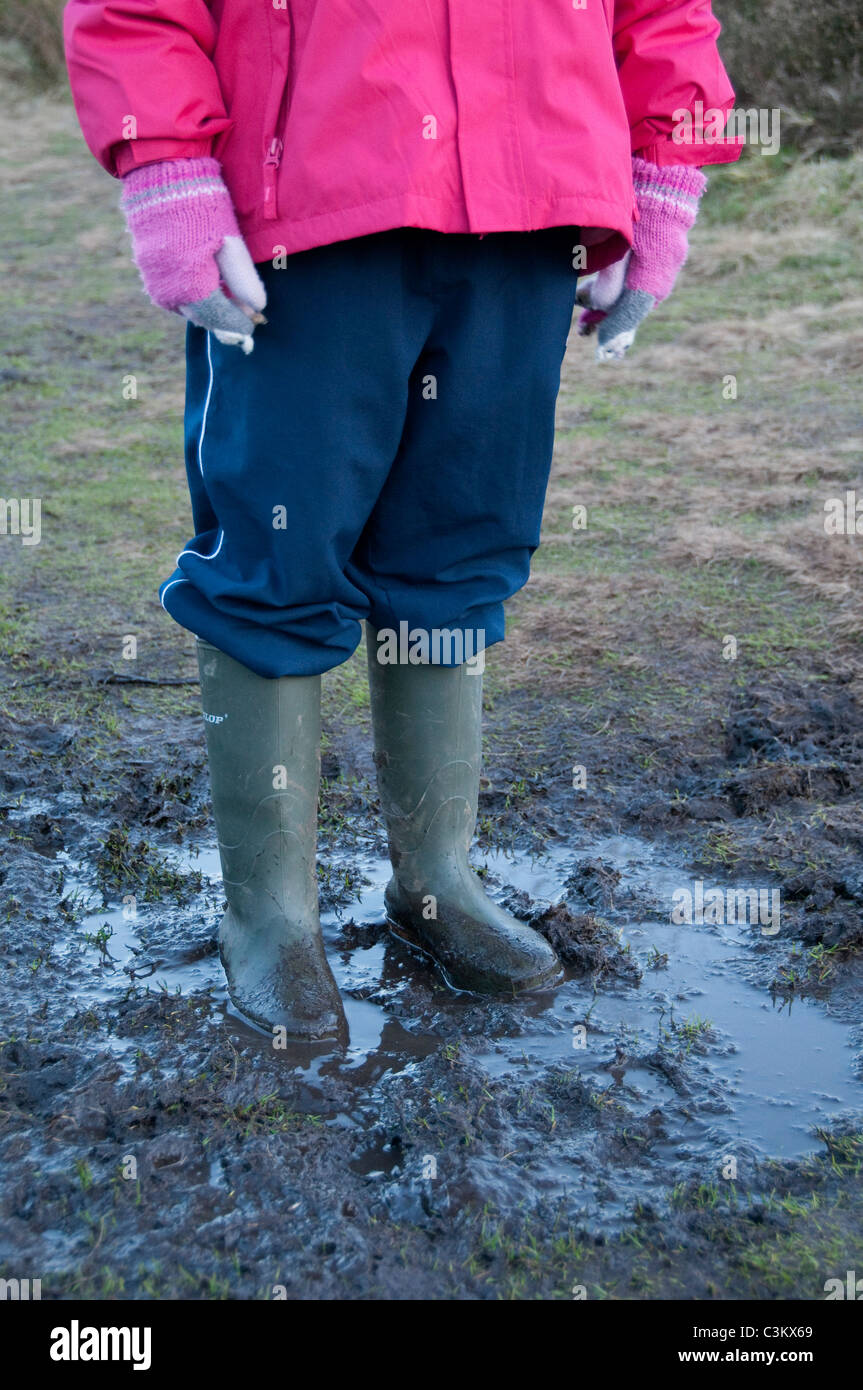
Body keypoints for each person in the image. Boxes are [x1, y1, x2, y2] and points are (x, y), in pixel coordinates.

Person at [63, 0, 740, 1041]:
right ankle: (272, 918)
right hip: (309, 197)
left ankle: (433, 881)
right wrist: (165, 166)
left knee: (460, 546)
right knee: (277, 555)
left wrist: (663, 167)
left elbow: (665, 12)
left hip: (530, 192)